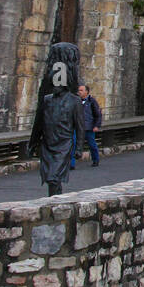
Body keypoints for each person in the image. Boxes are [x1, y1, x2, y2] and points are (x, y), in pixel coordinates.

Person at [27, 42, 84, 196]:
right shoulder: (47, 100)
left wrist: (79, 147)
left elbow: (79, 126)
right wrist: (33, 143)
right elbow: (38, 123)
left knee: (53, 176)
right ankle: (55, 200)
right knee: (49, 176)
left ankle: (54, 201)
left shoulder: (74, 101)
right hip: (48, 141)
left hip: (63, 141)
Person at [74, 84, 103, 167]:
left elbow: (97, 114)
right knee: (73, 144)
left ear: (86, 92)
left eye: (81, 90)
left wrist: (96, 125)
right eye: (79, 90)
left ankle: (95, 160)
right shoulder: (76, 101)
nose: (79, 92)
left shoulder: (91, 101)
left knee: (92, 144)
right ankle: (71, 163)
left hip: (88, 127)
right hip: (77, 127)